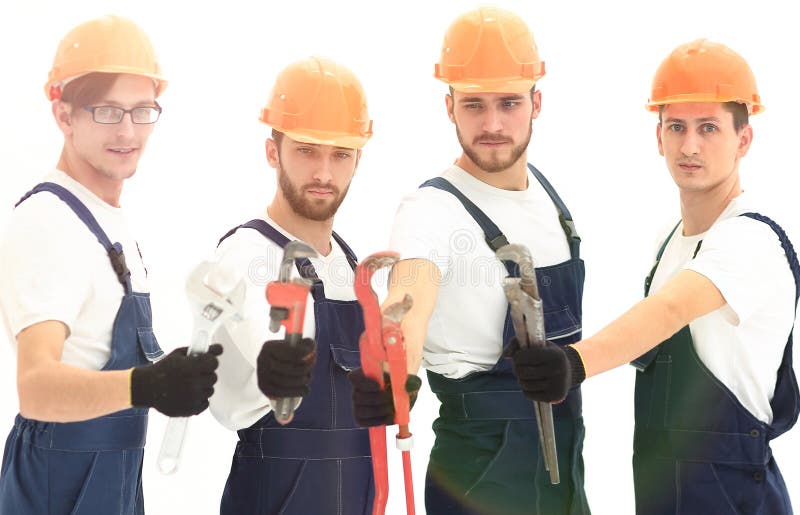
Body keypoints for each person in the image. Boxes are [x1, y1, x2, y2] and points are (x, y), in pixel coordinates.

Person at [513, 39, 799, 514]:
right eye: (677, 127)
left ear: (743, 139)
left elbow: (669, 310)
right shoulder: (672, 245)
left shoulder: (749, 240)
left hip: (733, 500)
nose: (690, 145)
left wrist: (573, 363)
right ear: (658, 136)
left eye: (709, 128)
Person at [349, 6, 591, 515]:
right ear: (449, 106)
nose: (493, 123)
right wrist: (396, 368)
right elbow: (410, 293)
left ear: (537, 101)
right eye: (474, 105)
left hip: (566, 473)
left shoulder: (550, 198)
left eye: (508, 102)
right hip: (480, 477)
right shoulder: (431, 209)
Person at [0, 15, 222, 515]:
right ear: (63, 114)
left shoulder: (106, 218)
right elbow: (35, 387)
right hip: (59, 484)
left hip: (114, 477)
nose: (128, 131)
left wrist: (174, 373)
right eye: (106, 111)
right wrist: (145, 386)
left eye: (142, 110)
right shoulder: (47, 222)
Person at [207, 56, 378, 514]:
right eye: (306, 149)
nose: (324, 172)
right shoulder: (245, 256)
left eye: (340, 153)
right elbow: (226, 388)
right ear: (272, 151)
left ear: (358, 159)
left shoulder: (351, 266)